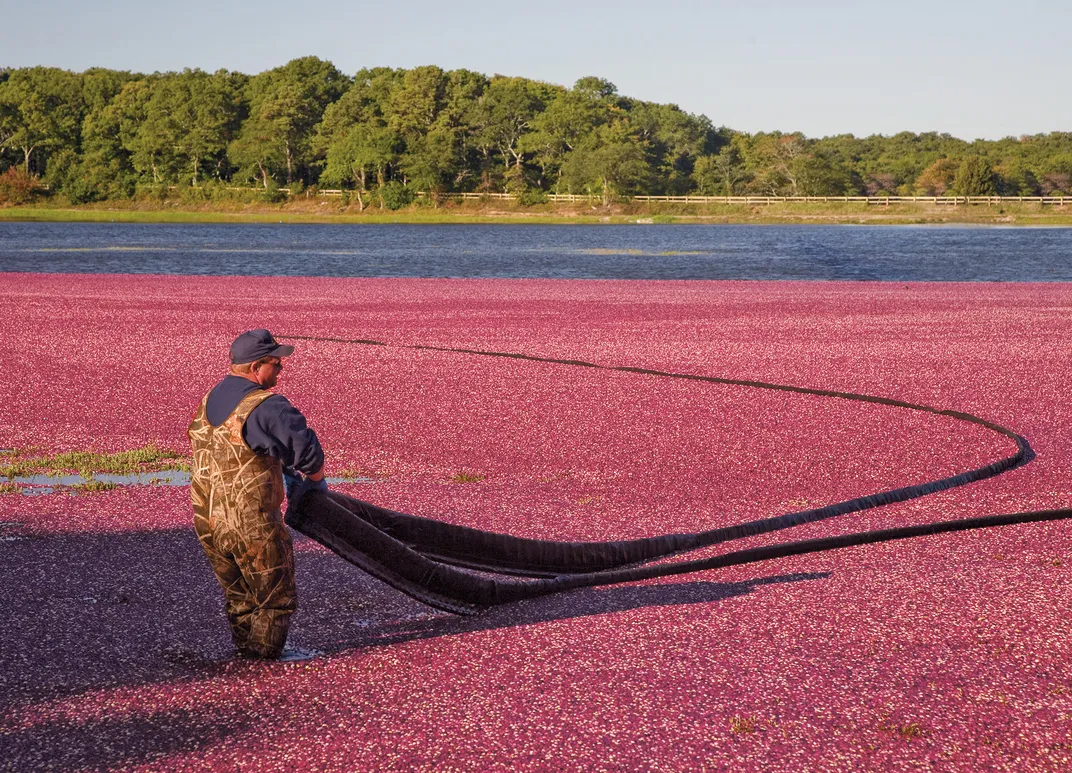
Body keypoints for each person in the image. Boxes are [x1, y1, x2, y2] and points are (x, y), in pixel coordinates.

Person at [188, 329, 326, 659]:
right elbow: (307, 451)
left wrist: (284, 471)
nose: (281, 369)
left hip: (207, 523)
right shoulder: (268, 406)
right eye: (276, 363)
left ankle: (244, 655)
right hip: (251, 525)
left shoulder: (210, 398)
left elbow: (245, 446)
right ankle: (263, 664)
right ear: (255, 368)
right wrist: (316, 484)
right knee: (275, 599)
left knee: (241, 598)